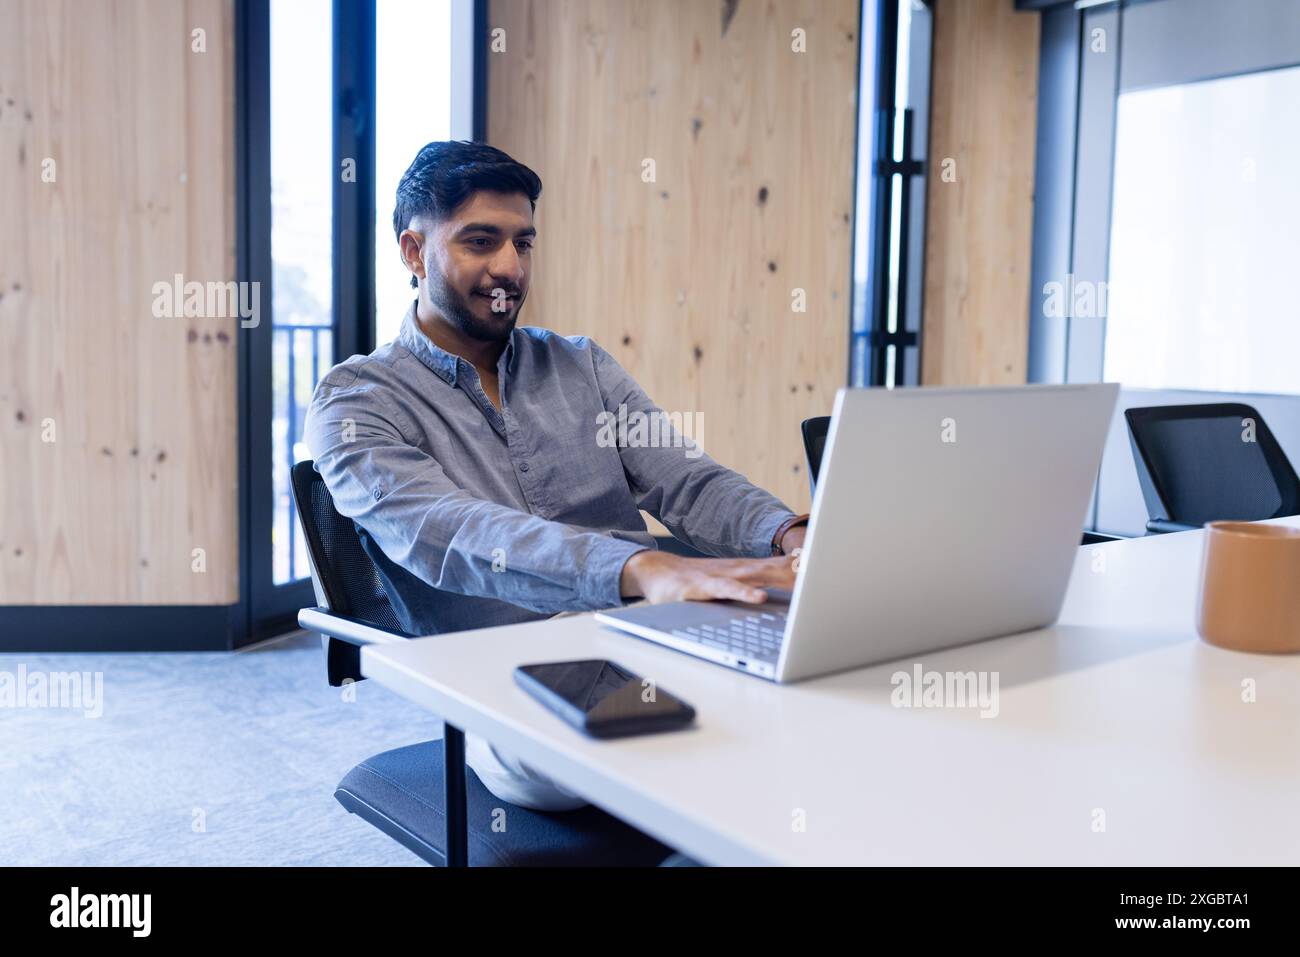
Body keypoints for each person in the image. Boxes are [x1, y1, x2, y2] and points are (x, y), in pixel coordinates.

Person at [304, 141, 807, 810]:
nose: (509, 267)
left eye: (524, 243)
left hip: (642, 636)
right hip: (509, 684)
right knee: (716, 750)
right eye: (481, 241)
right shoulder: (356, 401)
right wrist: (647, 568)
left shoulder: (580, 367)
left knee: (804, 688)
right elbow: (450, 531)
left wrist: (789, 534)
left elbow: (688, 481)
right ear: (414, 251)